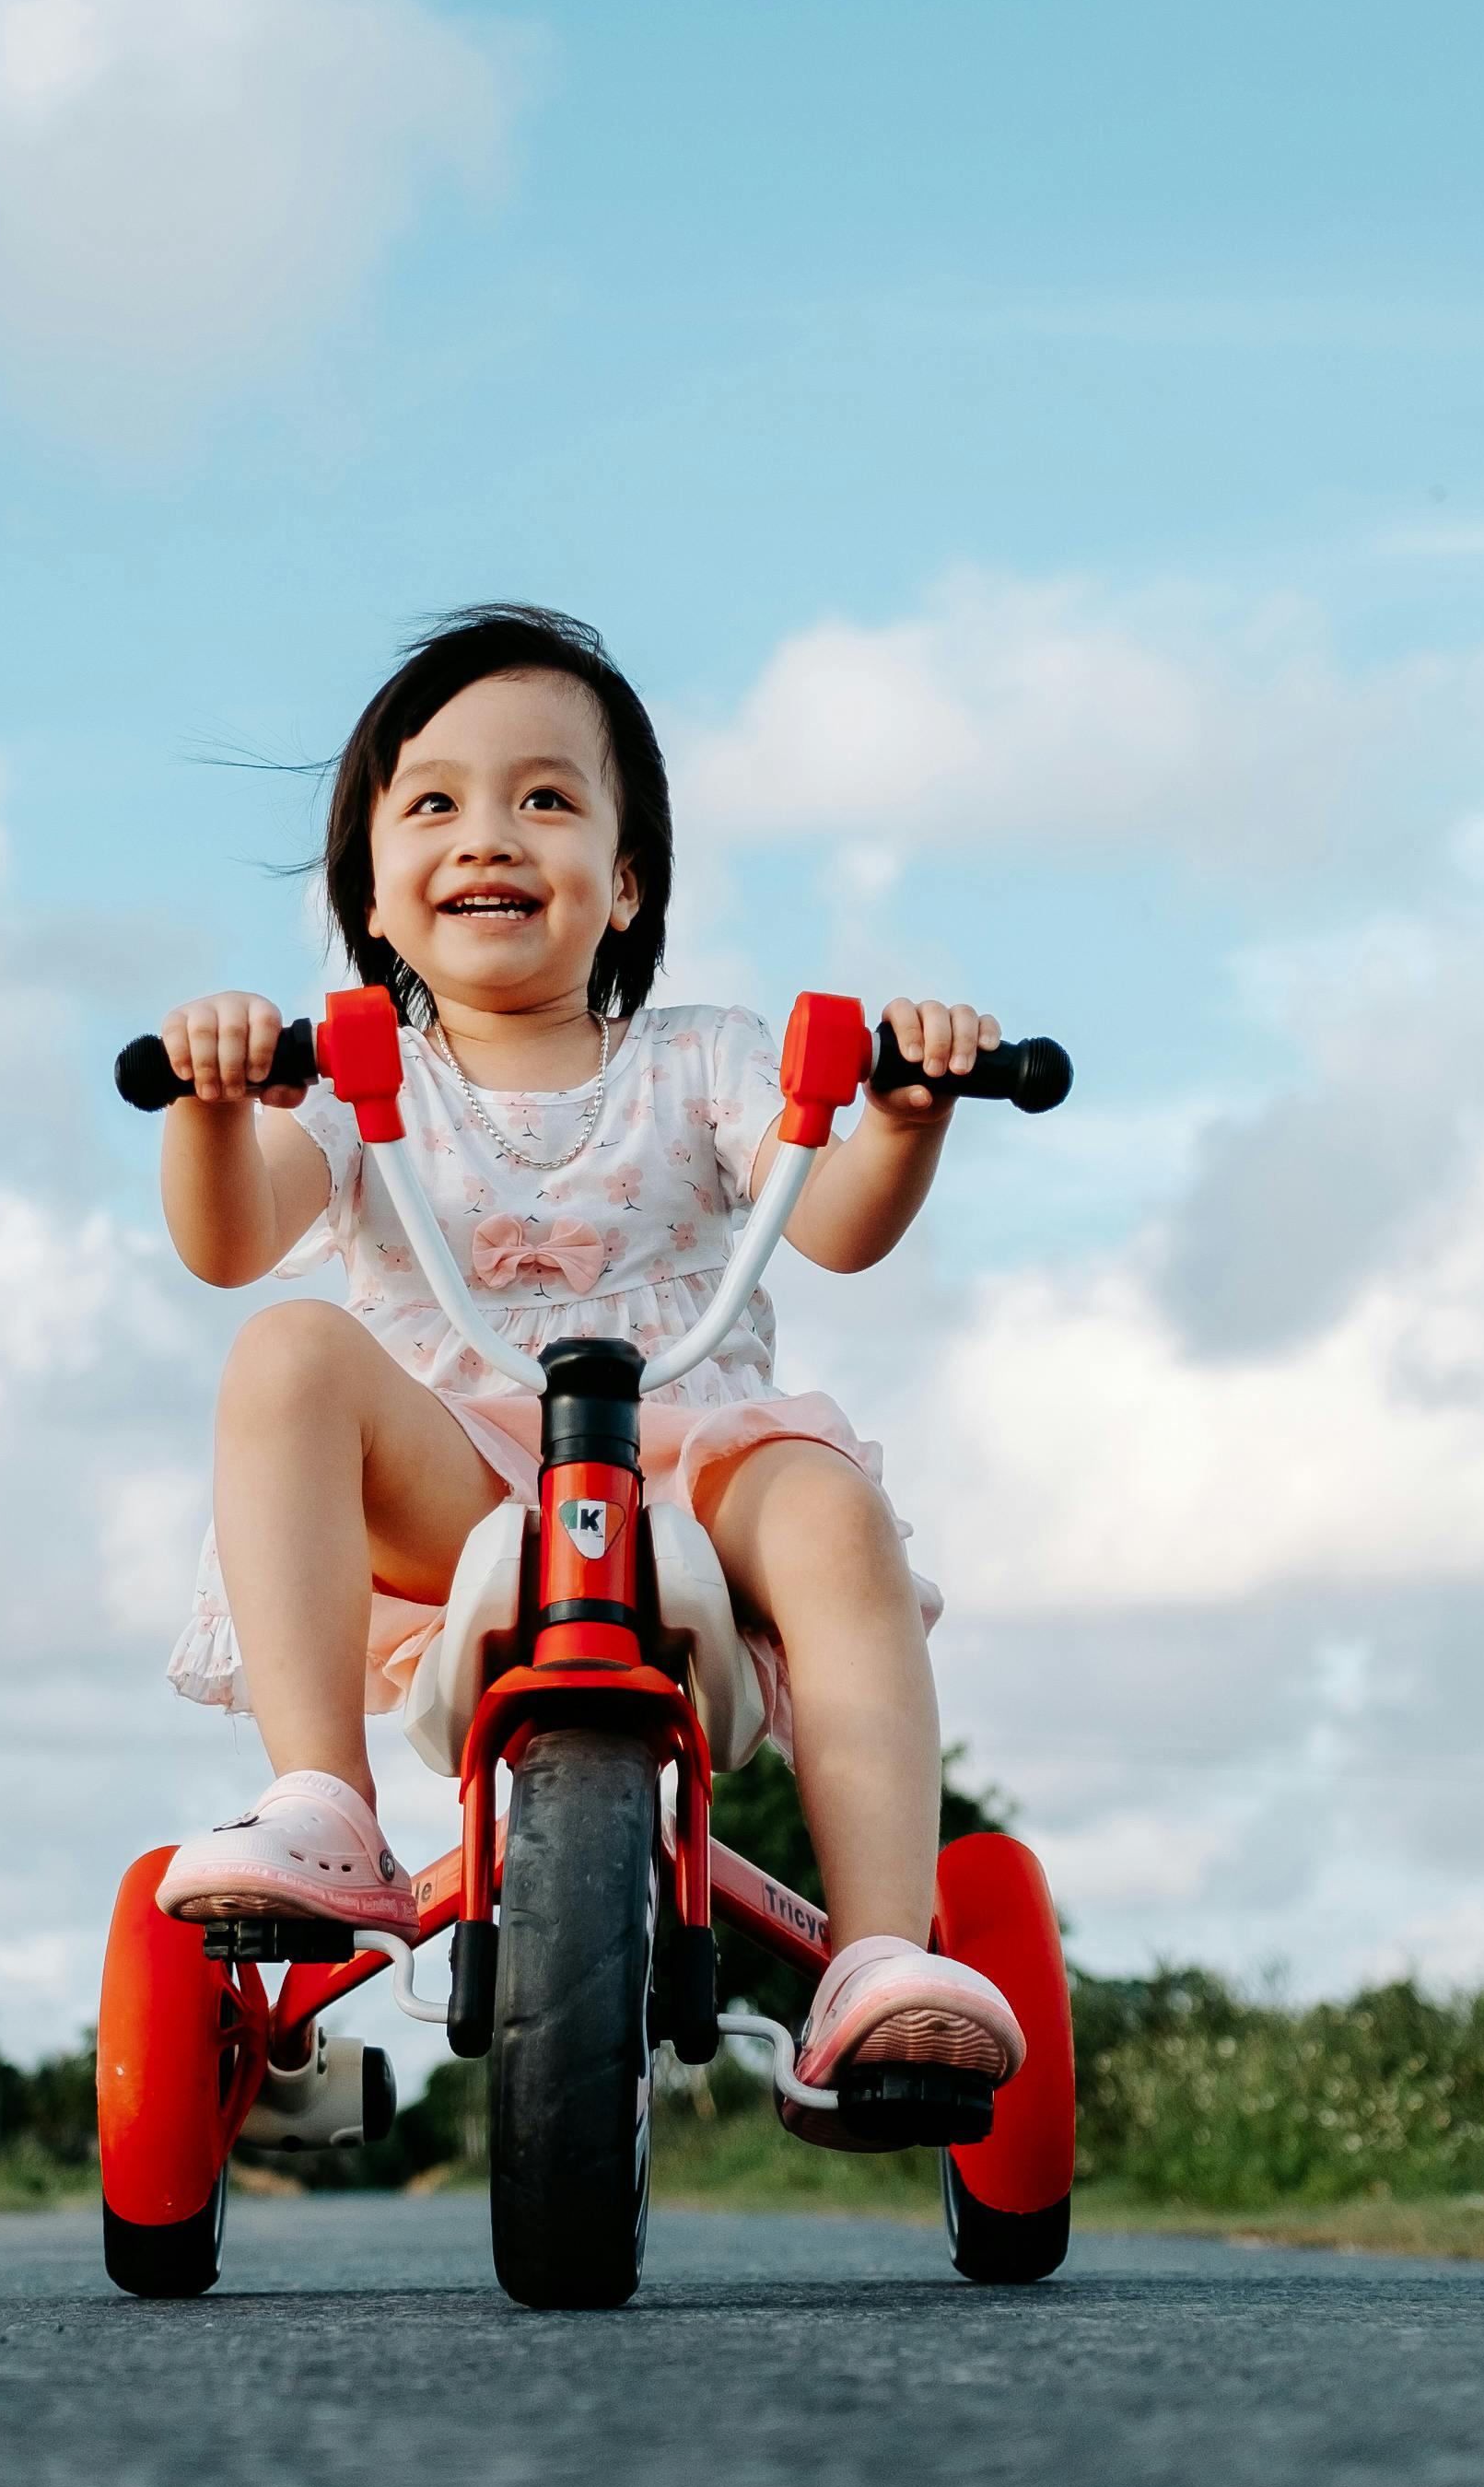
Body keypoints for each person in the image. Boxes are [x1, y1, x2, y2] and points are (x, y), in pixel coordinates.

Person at [145, 603, 1025, 2118]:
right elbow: (231, 1242)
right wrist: (213, 1105)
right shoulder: (366, 1075)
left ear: (624, 883)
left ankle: (877, 1955)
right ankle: (325, 1807)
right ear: (371, 886)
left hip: (696, 1481)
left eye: (545, 797)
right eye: (434, 803)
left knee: (829, 1503)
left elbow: (842, 1230)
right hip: (464, 1493)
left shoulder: (705, 1058)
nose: (489, 833)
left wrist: (909, 1111)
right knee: (287, 1345)